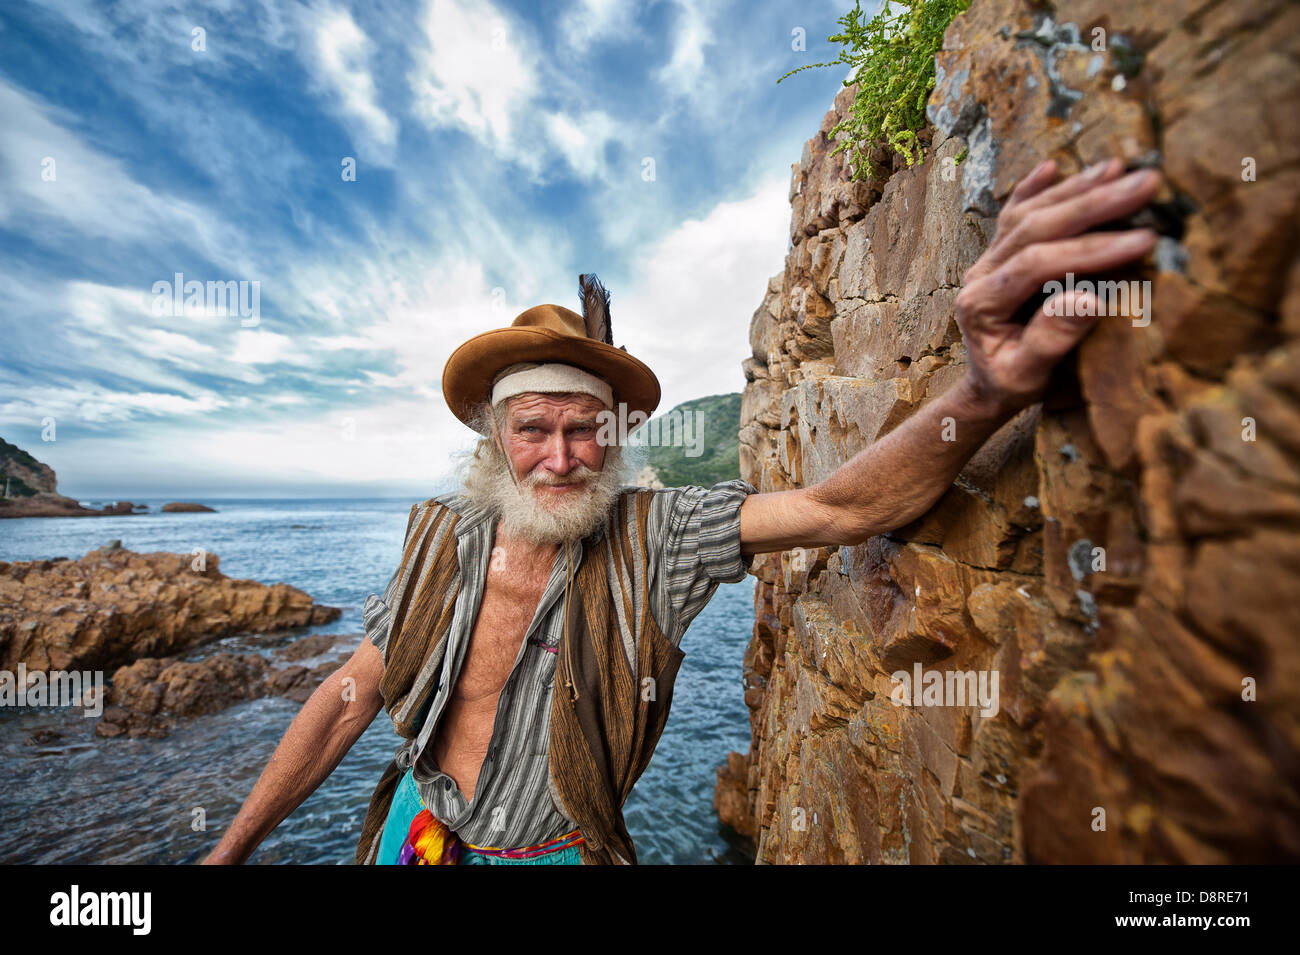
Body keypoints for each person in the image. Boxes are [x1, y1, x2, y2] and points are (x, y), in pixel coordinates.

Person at [202, 158, 1162, 865]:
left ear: (615, 438)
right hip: (413, 832)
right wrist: (227, 852)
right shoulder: (440, 541)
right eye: (534, 427)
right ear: (493, 438)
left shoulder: (658, 539)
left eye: (588, 430)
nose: (563, 456)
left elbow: (840, 505)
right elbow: (348, 697)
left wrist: (987, 386)